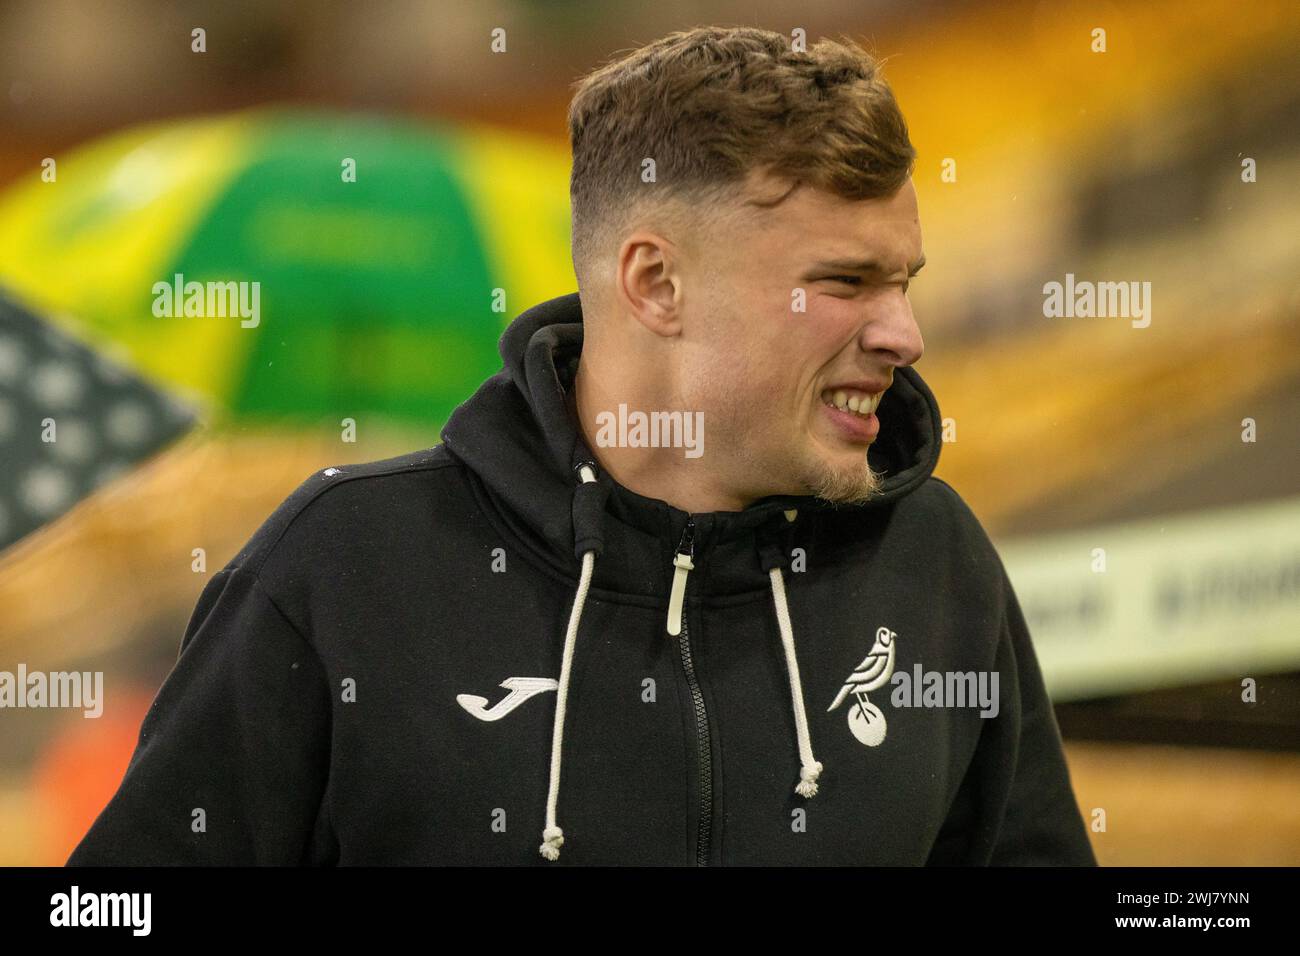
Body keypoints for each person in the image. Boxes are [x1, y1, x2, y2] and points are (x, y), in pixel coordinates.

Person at [68, 25, 1096, 866]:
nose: (902, 335)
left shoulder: (935, 561)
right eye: (842, 283)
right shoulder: (342, 570)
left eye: (901, 281)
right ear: (654, 284)